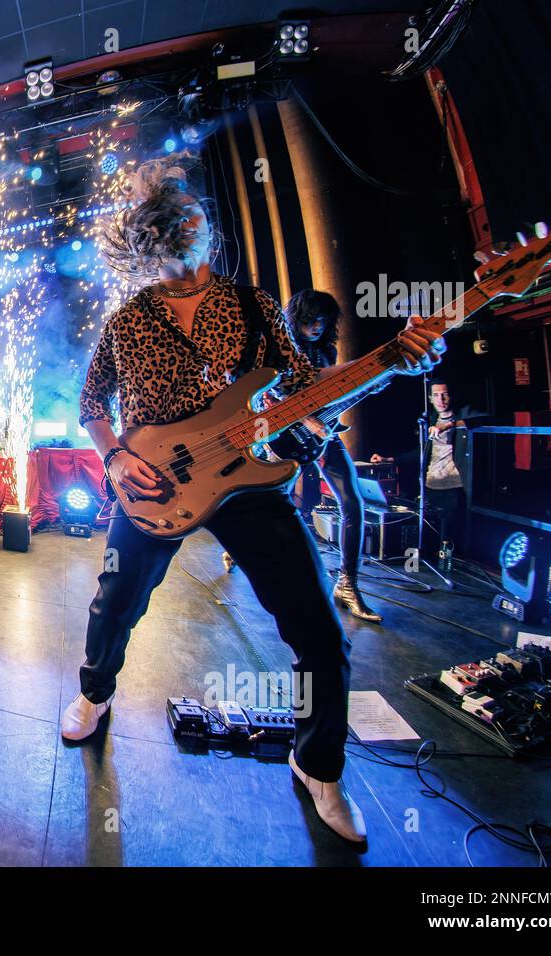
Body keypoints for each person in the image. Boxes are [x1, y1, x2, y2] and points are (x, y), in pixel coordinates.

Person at [67, 154, 443, 843]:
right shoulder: (127, 320)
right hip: (154, 482)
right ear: (147, 234)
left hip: (246, 479)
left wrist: (389, 366)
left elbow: (306, 393)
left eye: (190, 208)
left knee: (318, 632)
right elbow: (91, 402)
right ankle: (94, 693)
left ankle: (319, 764)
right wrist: (116, 458)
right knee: (113, 603)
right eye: (168, 211)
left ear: (202, 224)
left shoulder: (252, 304)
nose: (184, 219)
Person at [283, 289, 381, 623]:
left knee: (352, 503)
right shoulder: (283, 348)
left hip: (324, 436)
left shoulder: (327, 351)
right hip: (287, 438)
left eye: (323, 321)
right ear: (298, 319)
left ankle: (348, 583)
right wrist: (305, 420)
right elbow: (266, 397)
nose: (317, 327)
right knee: (273, 506)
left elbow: (333, 394)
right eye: (311, 320)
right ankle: (240, 551)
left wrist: (369, 384)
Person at [422, 379, 488, 553]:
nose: (440, 400)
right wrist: (390, 458)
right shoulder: (430, 420)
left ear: (451, 396)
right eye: (435, 395)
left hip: (454, 487)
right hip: (430, 485)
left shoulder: (462, 415)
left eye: (444, 394)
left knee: (449, 540)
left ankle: (451, 572)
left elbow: (486, 418)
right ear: (430, 398)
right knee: (430, 539)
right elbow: (422, 453)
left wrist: (451, 425)